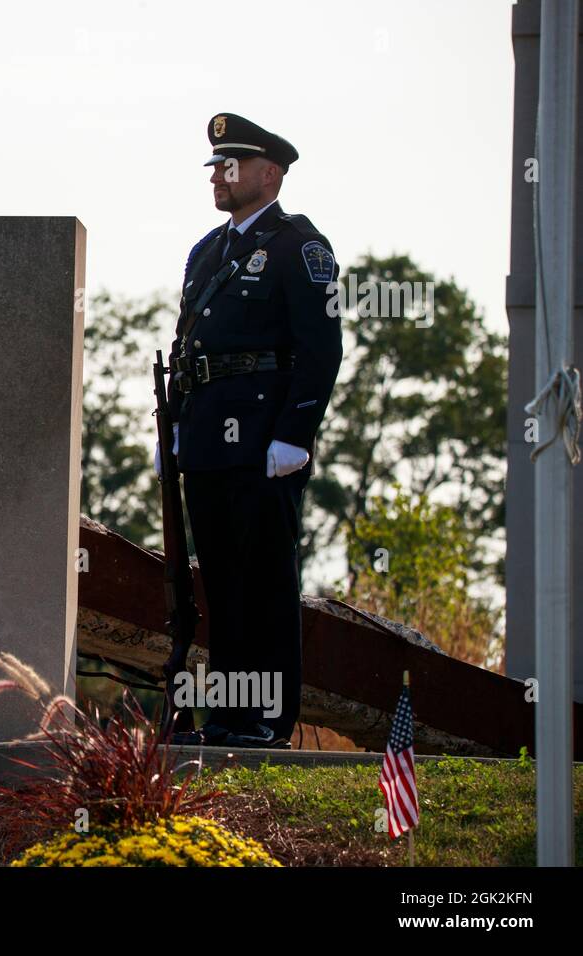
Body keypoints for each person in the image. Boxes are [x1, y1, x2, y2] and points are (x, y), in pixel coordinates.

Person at [157, 114, 342, 749]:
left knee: (265, 582)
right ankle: (229, 717)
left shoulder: (300, 247)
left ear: (271, 173)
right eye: (215, 166)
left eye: (231, 166)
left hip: (266, 445)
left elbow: (321, 349)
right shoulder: (206, 251)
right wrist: (176, 430)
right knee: (223, 588)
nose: (219, 176)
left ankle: (266, 720)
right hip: (207, 440)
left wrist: (296, 432)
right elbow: (187, 348)